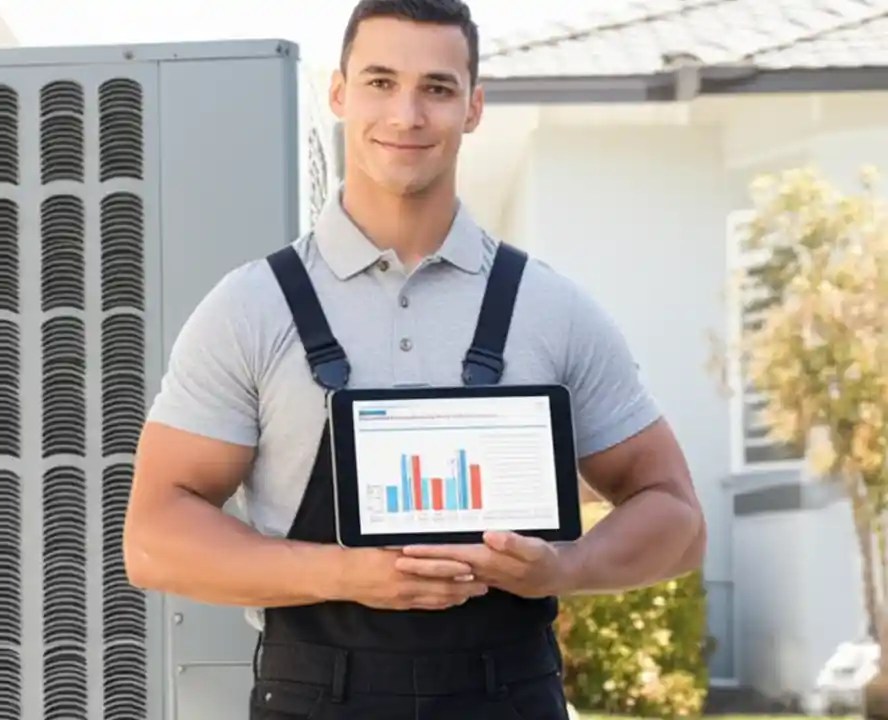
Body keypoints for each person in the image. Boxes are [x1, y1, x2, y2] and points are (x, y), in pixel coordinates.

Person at [123, 0, 707, 717]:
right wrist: (344, 573)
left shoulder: (552, 309)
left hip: (509, 696)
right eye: (379, 81)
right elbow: (153, 538)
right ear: (338, 93)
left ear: (474, 107)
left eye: (436, 87)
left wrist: (564, 566)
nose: (406, 115)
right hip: (314, 698)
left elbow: (677, 518)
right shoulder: (252, 308)